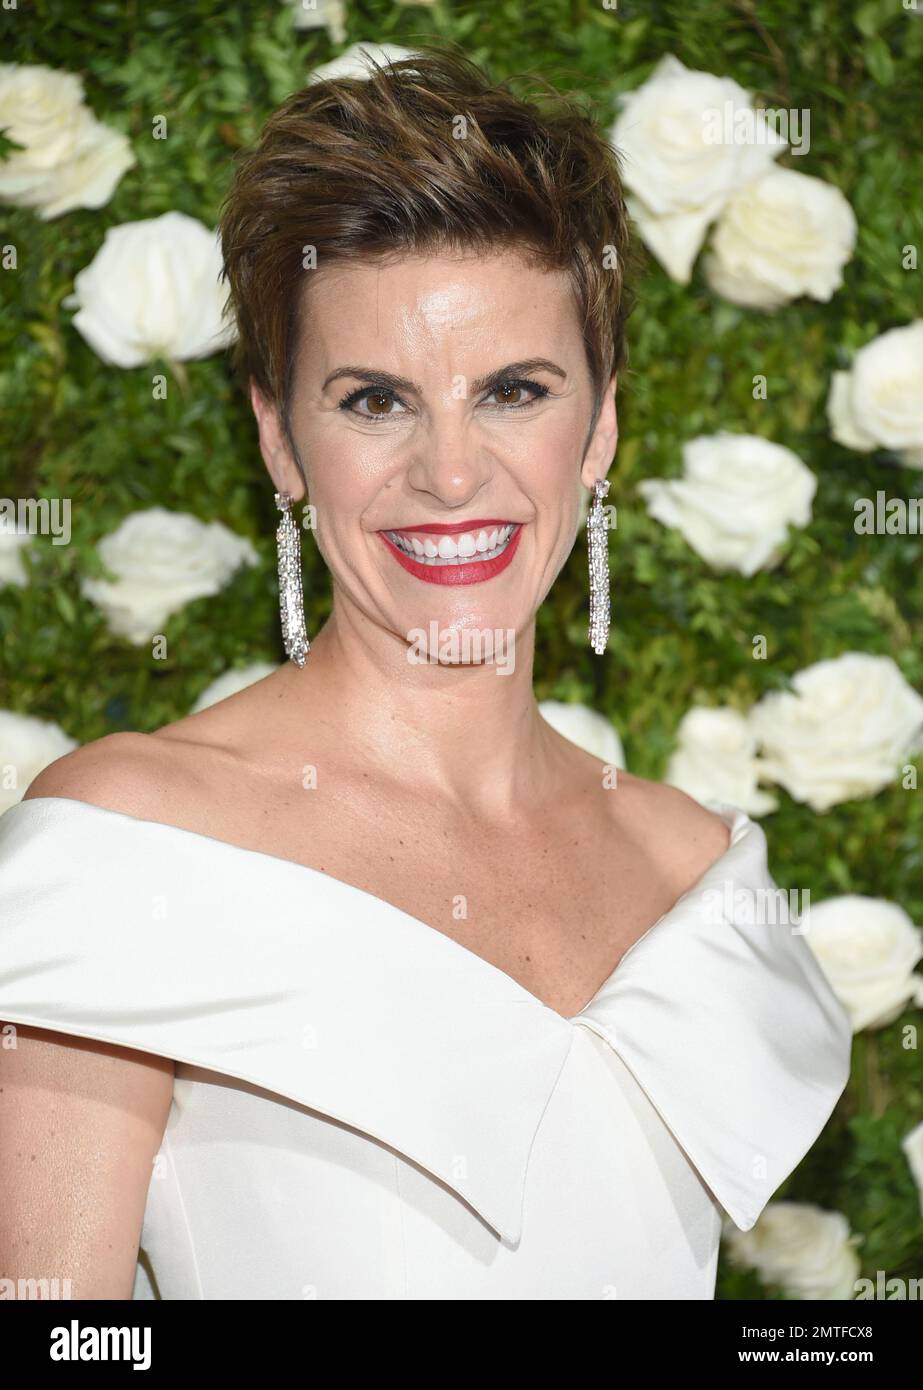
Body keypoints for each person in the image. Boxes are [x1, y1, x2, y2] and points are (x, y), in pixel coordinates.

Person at [0, 46, 851, 1300]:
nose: (450, 475)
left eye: (514, 390)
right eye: (374, 401)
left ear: (601, 424)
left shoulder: (693, 869)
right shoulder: (129, 845)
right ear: (278, 438)